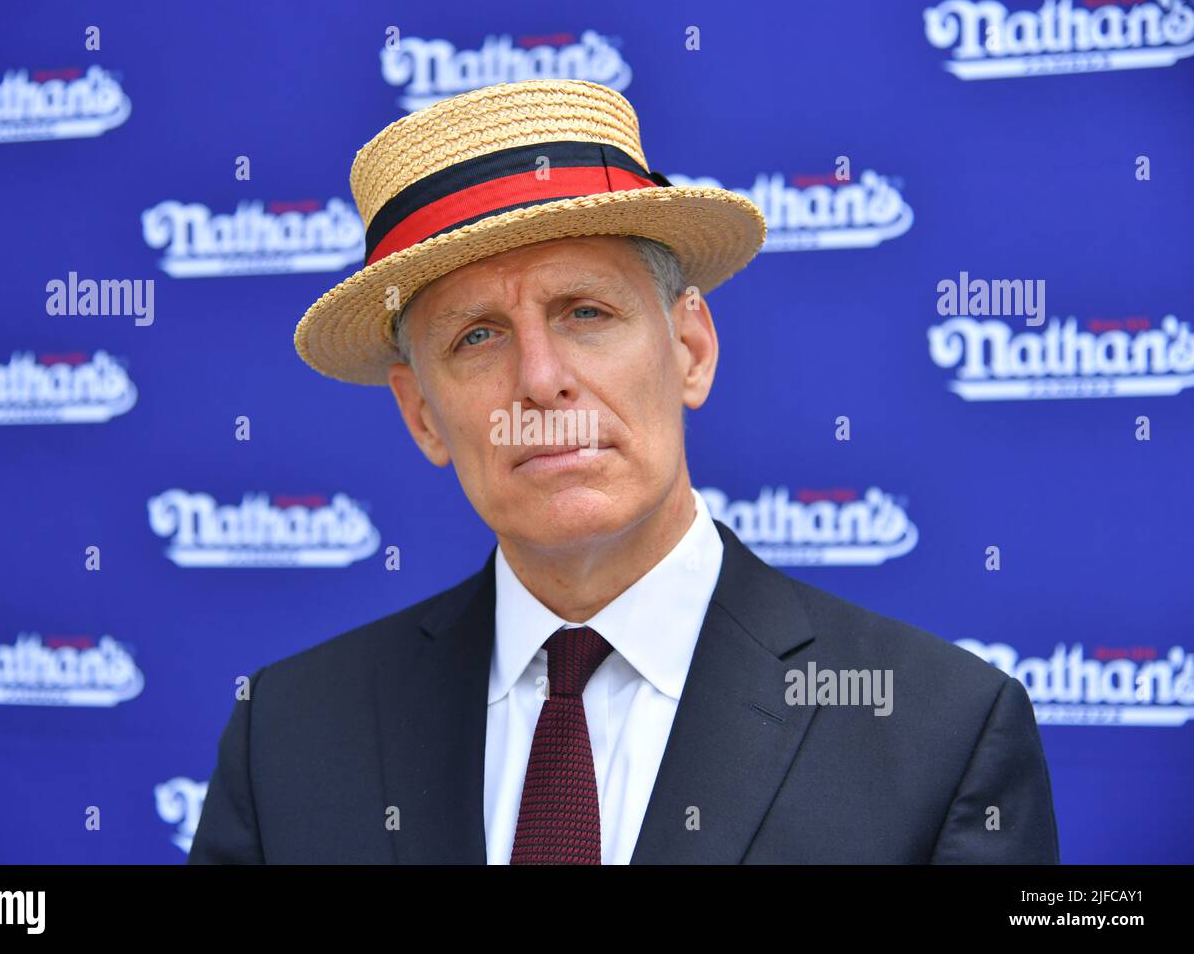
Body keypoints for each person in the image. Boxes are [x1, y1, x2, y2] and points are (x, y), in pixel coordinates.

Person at [188, 78, 1059, 864]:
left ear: (690, 347)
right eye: (477, 336)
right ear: (422, 413)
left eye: (587, 312)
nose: (540, 379)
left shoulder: (939, 733)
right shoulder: (290, 736)